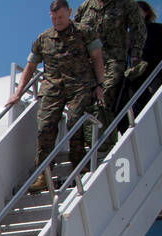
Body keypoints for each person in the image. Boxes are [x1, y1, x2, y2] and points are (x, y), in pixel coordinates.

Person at [7, 1, 107, 191]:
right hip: (52, 88)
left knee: (75, 121)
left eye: (61, 17)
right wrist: (18, 93)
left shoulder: (85, 32)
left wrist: (100, 84)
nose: (57, 21)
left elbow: (97, 58)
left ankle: (79, 164)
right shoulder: (43, 39)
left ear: (69, 13)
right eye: (54, 18)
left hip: (80, 84)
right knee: (45, 128)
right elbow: (30, 66)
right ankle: (43, 176)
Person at [74, 0, 147, 148]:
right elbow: (72, 33)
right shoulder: (86, 6)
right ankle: (87, 145)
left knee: (105, 94)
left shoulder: (126, 4)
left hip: (113, 59)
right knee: (80, 101)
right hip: (88, 63)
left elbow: (138, 29)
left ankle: (105, 141)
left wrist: (135, 54)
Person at [131, 1, 162, 116]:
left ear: (146, 12)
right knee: (139, 106)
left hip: (156, 72)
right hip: (137, 77)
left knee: (157, 99)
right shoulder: (129, 36)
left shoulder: (158, 28)